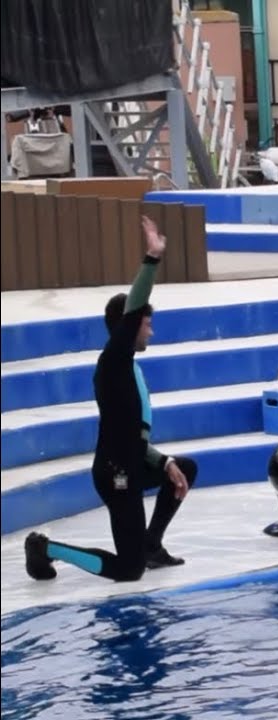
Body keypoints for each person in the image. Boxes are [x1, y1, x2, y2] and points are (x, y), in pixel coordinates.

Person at [25, 216, 197, 582]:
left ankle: (151, 543)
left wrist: (164, 462)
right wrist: (151, 258)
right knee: (128, 569)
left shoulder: (126, 365)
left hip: (132, 465)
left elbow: (135, 434)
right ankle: (46, 548)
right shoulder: (114, 358)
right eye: (146, 323)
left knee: (184, 467)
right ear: (130, 326)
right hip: (116, 474)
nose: (151, 329)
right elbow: (134, 307)